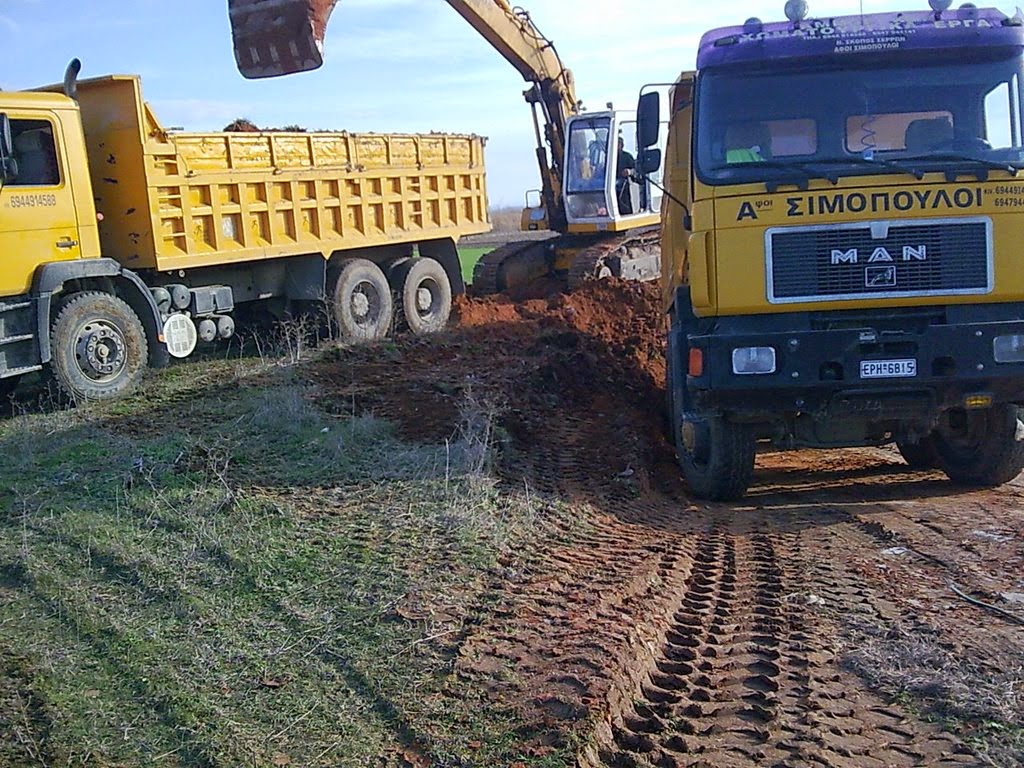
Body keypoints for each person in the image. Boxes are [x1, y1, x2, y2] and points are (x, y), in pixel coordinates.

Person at [616, 136, 635, 215]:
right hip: (609, 187)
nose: (617, 146)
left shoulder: (627, 156)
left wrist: (629, 172)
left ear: (622, 145)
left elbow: (637, 171)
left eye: (618, 144)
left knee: (625, 207)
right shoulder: (606, 157)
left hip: (623, 186)